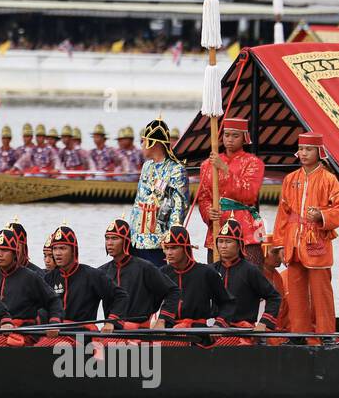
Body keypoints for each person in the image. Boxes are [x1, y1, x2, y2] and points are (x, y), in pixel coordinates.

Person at [272, 132, 339, 340]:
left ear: (319, 152)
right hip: (293, 242)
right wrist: (279, 244)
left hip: (317, 241)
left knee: (321, 292)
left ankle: (326, 334)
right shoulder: (290, 179)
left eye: (309, 149)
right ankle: (299, 334)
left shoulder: (328, 180)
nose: (304, 153)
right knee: (296, 293)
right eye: (302, 149)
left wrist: (322, 215)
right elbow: (282, 214)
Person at [37, 225, 128, 345]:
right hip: (54, 333)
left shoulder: (92, 275)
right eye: (55, 249)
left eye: (63, 248)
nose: (57, 253)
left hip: (82, 334)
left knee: (44, 346)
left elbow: (121, 296)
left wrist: (111, 321)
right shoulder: (48, 278)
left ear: (73, 250)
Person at [196, 116, 266, 265]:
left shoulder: (254, 163)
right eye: (227, 135)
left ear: (244, 138)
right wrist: (209, 212)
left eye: (235, 135)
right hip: (217, 227)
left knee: (250, 278)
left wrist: (225, 169)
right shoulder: (207, 164)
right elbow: (203, 198)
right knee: (216, 278)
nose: (230, 139)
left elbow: (249, 193)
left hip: (246, 230)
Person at [0, 229, 58, 347]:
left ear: (14, 252)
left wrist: (54, 322)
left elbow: (53, 301)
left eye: (4, 250)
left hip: (22, 333)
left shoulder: (30, 277)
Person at [153, 226, 235, 337]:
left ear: (185, 249)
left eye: (173, 248)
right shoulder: (162, 273)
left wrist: (218, 325)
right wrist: (159, 321)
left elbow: (227, 303)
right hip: (168, 332)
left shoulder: (206, 273)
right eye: (166, 248)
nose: (169, 253)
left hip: (198, 333)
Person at [128, 118, 189, 265]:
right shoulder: (146, 166)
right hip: (137, 237)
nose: (141, 145)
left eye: (143, 141)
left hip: (159, 239)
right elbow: (138, 201)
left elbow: (179, 206)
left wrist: (171, 238)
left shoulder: (176, 170)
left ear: (152, 142)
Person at [210, 221, 282, 345]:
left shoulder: (250, 270)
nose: (223, 246)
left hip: (242, 332)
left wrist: (263, 323)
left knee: (217, 349)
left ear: (239, 245)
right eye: (220, 241)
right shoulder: (211, 270)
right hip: (215, 330)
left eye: (228, 242)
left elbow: (274, 297)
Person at [97, 219, 176, 330]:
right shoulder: (102, 272)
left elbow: (173, 291)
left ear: (126, 241)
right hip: (112, 332)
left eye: (115, 238)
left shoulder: (145, 267)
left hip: (139, 333)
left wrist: (162, 320)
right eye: (107, 238)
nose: (109, 243)